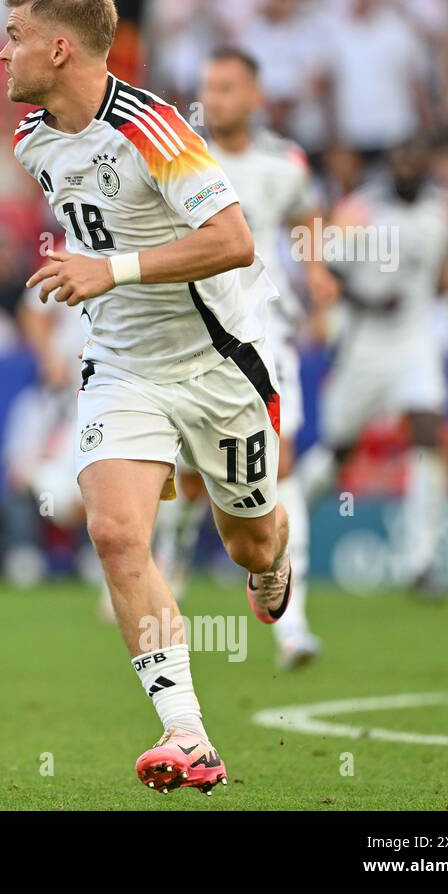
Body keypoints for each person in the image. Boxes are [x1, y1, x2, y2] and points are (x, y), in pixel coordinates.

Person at [3, 0, 290, 795]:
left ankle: (272, 569)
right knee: (119, 534)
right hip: (122, 365)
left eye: (17, 35)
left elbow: (234, 240)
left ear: (60, 47)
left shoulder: (155, 128)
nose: (2, 51)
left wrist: (110, 269)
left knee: (251, 542)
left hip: (215, 364)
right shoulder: (31, 141)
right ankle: (188, 734)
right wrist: (89, 275)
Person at [149, 47, 325, 670]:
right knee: (194, 482)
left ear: (255, 95)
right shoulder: (180, 155)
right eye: (208, 87)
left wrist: (320, 281)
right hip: (200, 332)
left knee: (283, 463)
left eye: (226, 88)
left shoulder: (286, 163)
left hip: (268, 329)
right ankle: (167, 577)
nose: (213, 99)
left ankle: (291, 624)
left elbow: (306, 224)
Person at [298, 137, 448, 598]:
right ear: (390, 166)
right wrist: (369, 300)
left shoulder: (441, 210)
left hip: (413, 340)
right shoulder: (360, 209)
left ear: (426, 164)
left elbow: (434, 269)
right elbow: (327, 267)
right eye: (399, 159)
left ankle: (421, 564)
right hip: (365, 343)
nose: (407, 166)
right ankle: (274, 536)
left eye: (415, 158)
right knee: (339, 451)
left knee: (429, 434)